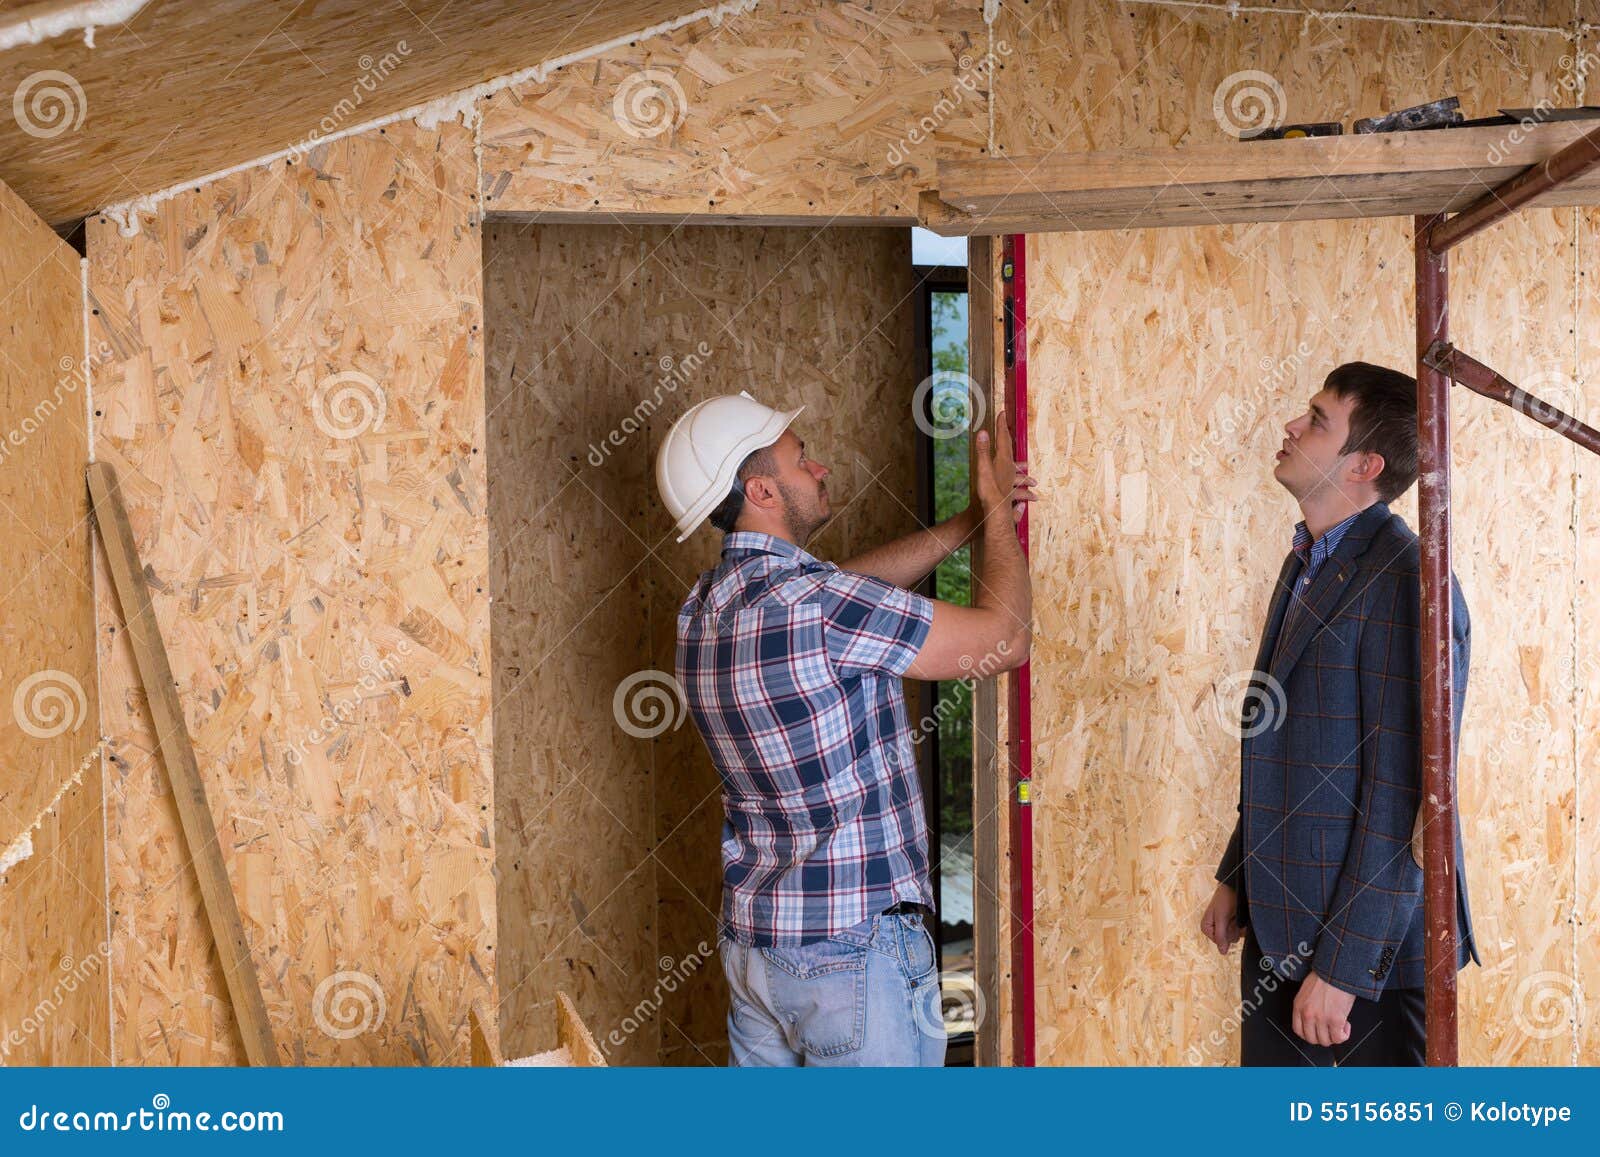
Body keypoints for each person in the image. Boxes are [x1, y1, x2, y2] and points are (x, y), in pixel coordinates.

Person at [657, 391, 1034, 1066]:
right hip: (853, 956)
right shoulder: (823, 608)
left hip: (757, 954)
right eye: (802, 459)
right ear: (761, 490)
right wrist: (1000, 518)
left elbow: (846, 586)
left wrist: (967, 524)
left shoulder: (704, 610)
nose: (820, 468)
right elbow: (1004, 639)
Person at [1200, 361, 1480, 1065]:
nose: (1292, 425)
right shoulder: (1310, 559)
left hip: (1364, 961)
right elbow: (1287, 746)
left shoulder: (1406, 579)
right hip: (1285, 923)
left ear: (1364, 465)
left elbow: (1406, 798)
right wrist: (1239, 874)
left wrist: (1344, 971)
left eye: (1318, 420)